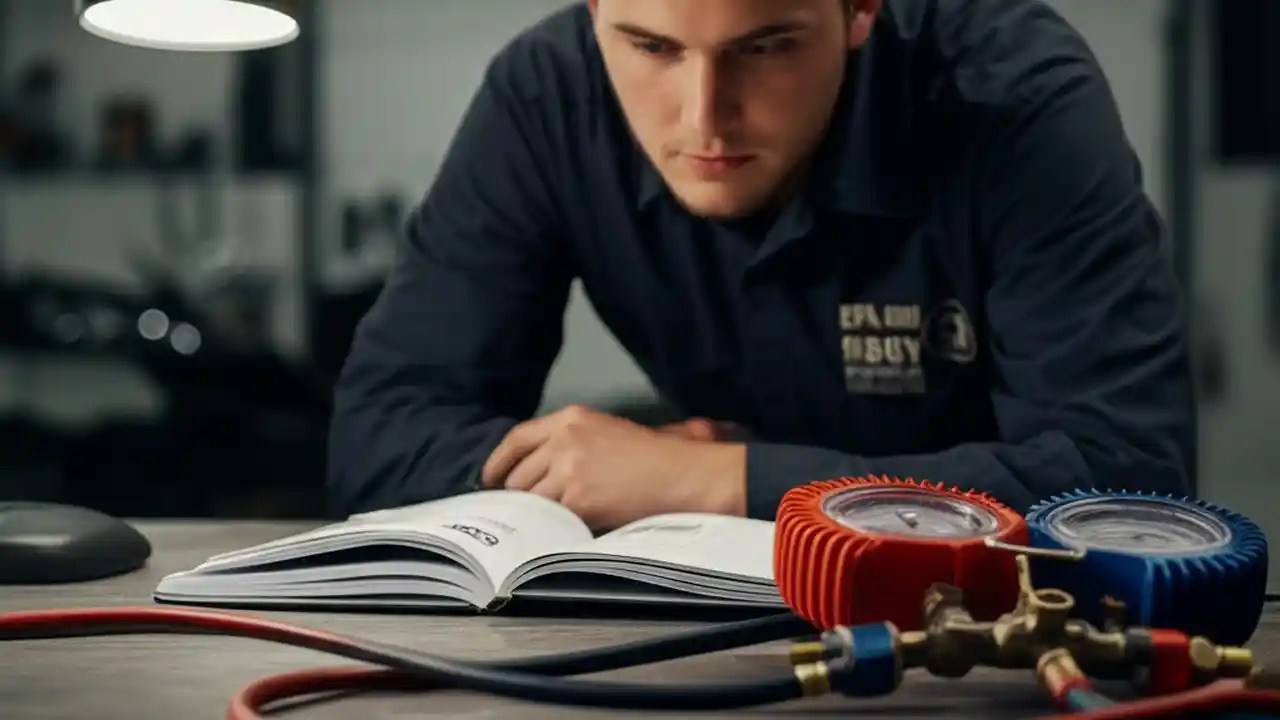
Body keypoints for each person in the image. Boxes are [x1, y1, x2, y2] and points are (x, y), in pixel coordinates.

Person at [327, 0, 1196, 532]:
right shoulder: (545, 97)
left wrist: (713, 481)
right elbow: (378, 440)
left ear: (861, 8)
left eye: (765, 46)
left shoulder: (1012, 98)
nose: (705, 119)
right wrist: (593, 475)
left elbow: (1131, 482)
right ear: (594, 8)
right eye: (652, 47)